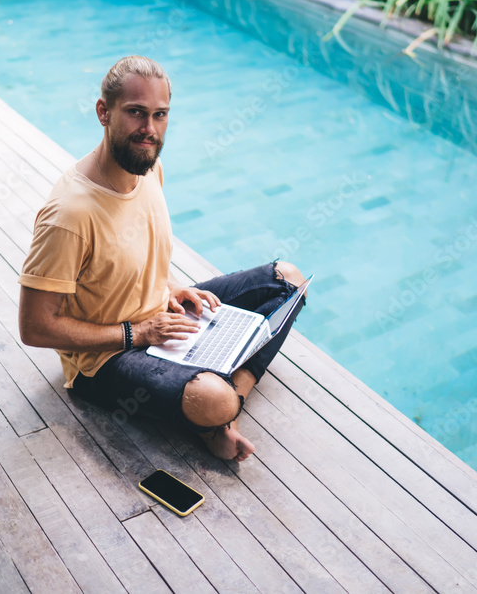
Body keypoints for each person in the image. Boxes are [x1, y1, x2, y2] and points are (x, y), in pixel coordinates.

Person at [17, 55, 307, 462]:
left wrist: (172, 288)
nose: (148, 130)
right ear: (104, 112)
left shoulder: (148, 168)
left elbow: (132, 257)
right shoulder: (70, 214)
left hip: (163, 321)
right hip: (107, 359)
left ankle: (225, 403)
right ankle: (222, 407)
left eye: (160, 115)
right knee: (214, 399)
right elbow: (34, 327)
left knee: (288, 280)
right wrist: (137, 333)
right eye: (135, 113)